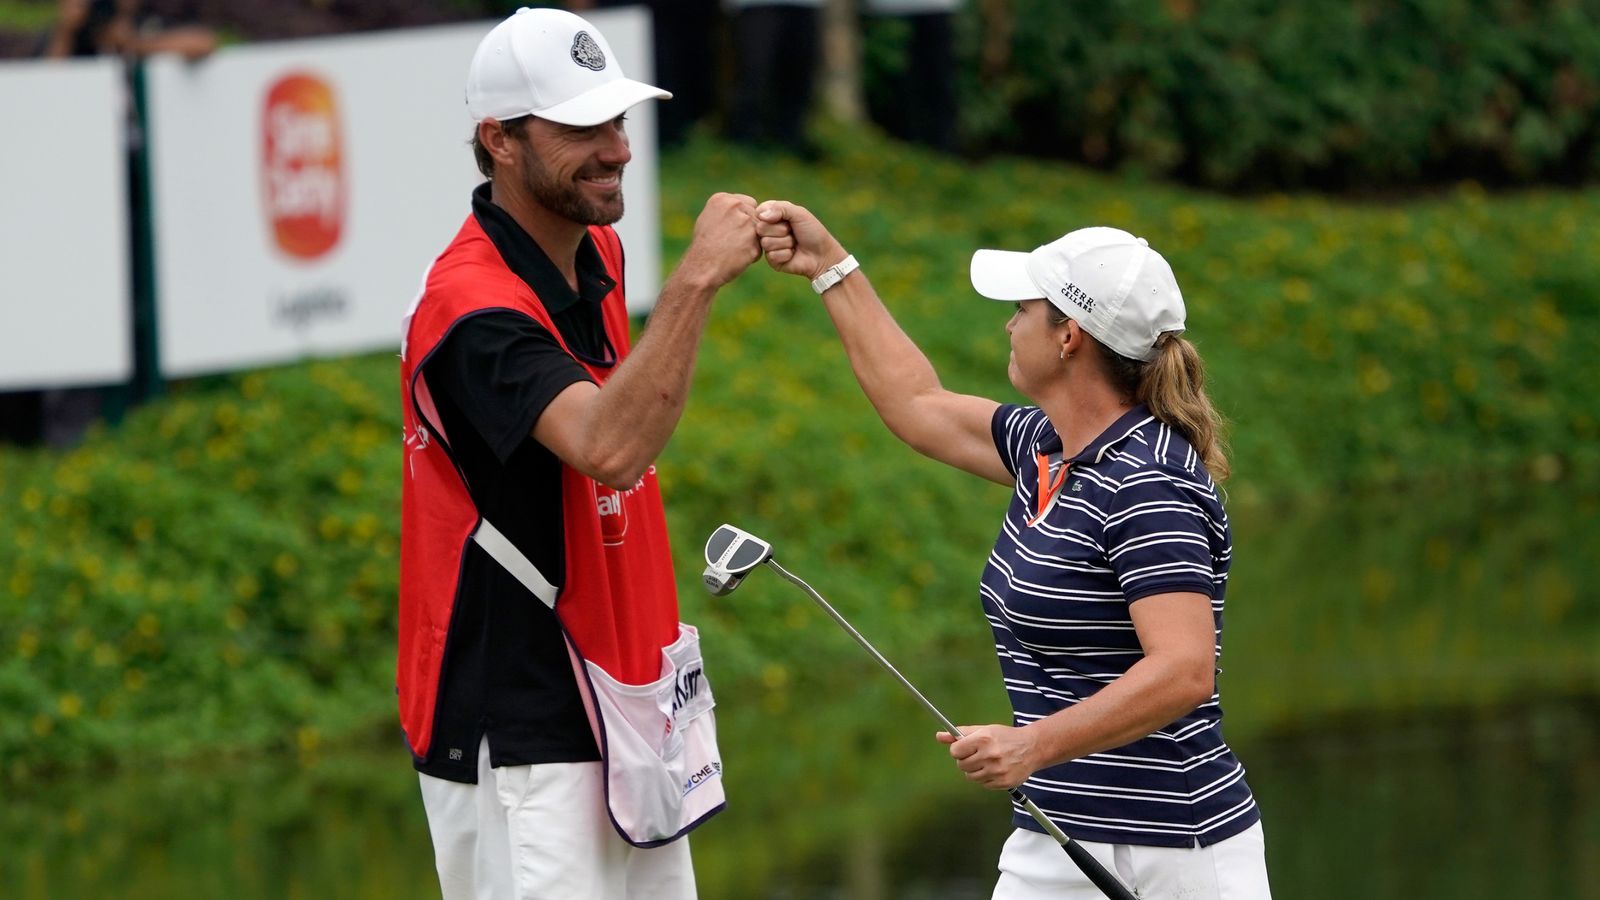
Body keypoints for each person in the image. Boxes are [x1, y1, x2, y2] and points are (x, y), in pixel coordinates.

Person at [753, 201, 1272, 899]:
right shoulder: (1045, 447)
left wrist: (1032, 745)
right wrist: (829, 266)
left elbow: (1183, 672)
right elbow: (915, 403)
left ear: (1069, 338)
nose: (1008, 321)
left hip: (1174, 847)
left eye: (1023, 308)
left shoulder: (1147, 484)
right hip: (1055, 833)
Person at [397, 9, 762, 898]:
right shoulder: (469, 309)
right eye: (580, 128)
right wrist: (698, 278)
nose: (616, 149)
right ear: (501, 141)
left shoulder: (593, 249)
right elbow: (611, 446)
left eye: (618, 121)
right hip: (519, 722)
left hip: (627, 697)